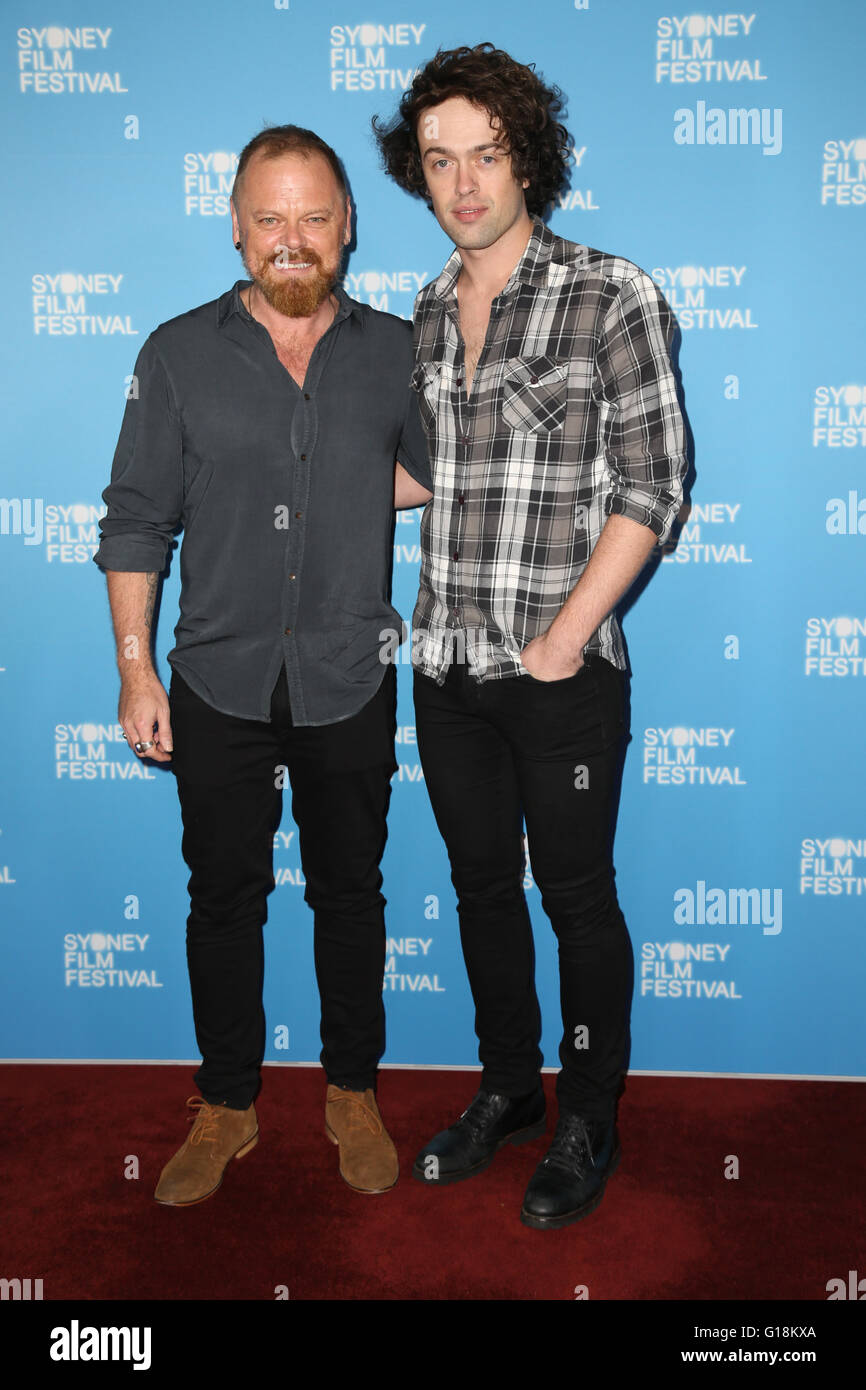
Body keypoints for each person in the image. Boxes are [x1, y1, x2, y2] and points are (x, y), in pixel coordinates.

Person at [374, 44, 687, 1228]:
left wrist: (561, 640)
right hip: (445, 665)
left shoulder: (608, 291)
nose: (461, 182)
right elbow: (423, 472)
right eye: (439, 159)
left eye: (485, 155)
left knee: (573, 895)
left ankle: (588, 1113)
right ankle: (507, 1084)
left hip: (556, 675)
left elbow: (655, 485)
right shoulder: (419, 308)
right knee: (476, 891)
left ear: (528, 157)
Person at [93, 124, 433, 1206]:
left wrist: (338, 489)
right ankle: (228, 1102)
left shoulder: (395, 349)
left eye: (314, 217)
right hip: (215, 679)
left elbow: (438, 469)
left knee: (351, 892)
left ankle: (348, 1090)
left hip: (345, 672)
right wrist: (137, 671)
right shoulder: (176, 353)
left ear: (346, 229)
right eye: (270, 217)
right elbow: (137, 522)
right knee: (222, 898)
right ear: (237, 230)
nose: (293, 238)